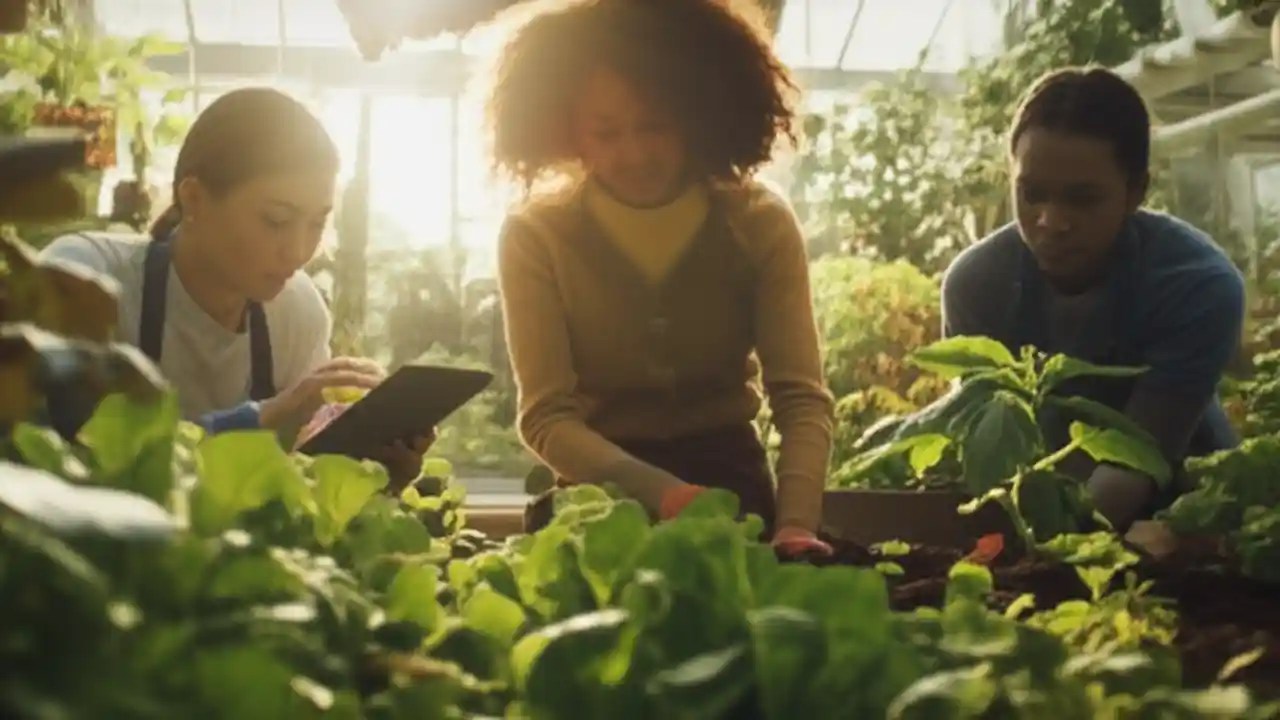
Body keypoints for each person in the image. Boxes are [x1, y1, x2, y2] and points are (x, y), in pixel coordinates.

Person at [487, 0, 834, 555]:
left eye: (656, 126)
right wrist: (666, 496)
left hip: (736, 499)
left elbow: (801, 399)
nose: (634, 153)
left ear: (698, 116)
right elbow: (548, 418)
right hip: (597, 509)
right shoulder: (536, 236)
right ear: (567, 130)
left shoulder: (760, 222)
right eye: (607, 133)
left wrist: (796, 525)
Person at [40, 87, 432, 487]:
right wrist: (261, 420)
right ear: (193, 198)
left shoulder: (297, 311)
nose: (299, 252)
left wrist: (374, 475)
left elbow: (292, 492)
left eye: (316, 224)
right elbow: (67, 469)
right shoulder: (87, 279)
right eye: (276, 220)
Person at [941, 67, 1246, 531]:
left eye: (1082, 200)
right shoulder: (977, 284)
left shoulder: (1196, 285)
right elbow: (983, 445)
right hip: (1033, 521)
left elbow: (1136, 459)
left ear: (1135, 192)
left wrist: (1036, 552)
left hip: (1185, 527)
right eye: (1031, 194)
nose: (1051, 222)